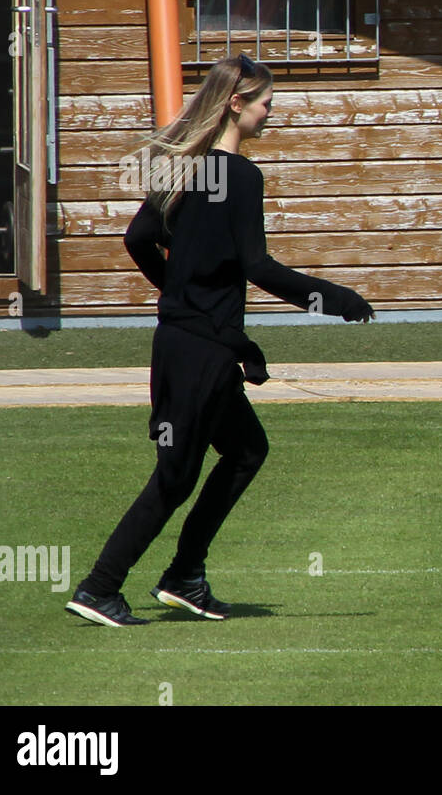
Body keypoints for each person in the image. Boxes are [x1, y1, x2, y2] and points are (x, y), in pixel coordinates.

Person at [66, 54, 375, 626]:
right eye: (265, 105)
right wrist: (336, 299)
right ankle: (99, 588)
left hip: (186, 343)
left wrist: (181, 298)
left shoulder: (185, 170)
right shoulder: (240, 176)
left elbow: (138, 239)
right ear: (237, 104)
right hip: (201, 352)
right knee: (175, 476)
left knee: (246, 449)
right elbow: (258, 266)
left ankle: (185, 576)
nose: (268, 115)